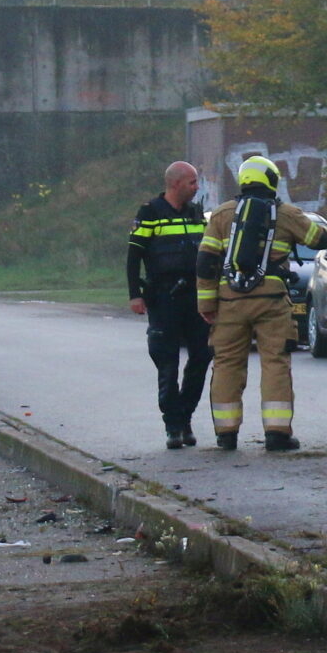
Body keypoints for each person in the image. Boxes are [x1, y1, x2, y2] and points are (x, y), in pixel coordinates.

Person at [196, 156, 327, 452]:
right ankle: (277, 432)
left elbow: (205, 262)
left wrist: (206, 304)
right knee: (275, 362)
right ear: (271, 180)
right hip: (271, 299)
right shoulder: (285, 213)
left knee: (227, 363)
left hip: (229, 300)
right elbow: (320, 239)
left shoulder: (221, 215)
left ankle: (226, 433)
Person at [127, 161, 210, 449]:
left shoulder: (197, 214)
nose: (197, 187)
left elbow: (210, 252)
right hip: (164, 298)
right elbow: (133, 256)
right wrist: (134, 294)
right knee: (167, 362)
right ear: (175, 184)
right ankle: (173, 425)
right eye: (192, 182)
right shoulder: (150, 213)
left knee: (202, 357)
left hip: (196, 299)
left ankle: (185, 416)